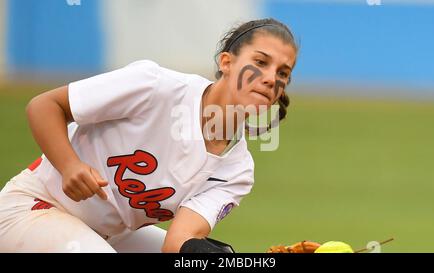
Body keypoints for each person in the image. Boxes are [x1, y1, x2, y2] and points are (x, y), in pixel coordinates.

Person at [0, 18, 298, 252]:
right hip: (35, 206)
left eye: (283, 73)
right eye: (260, 62)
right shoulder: (155, 86)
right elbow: (44, 106)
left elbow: (178, 243)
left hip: (110, 234)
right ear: (226, 62)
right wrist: (69, 165)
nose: (271, 78)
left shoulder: (237, 171)